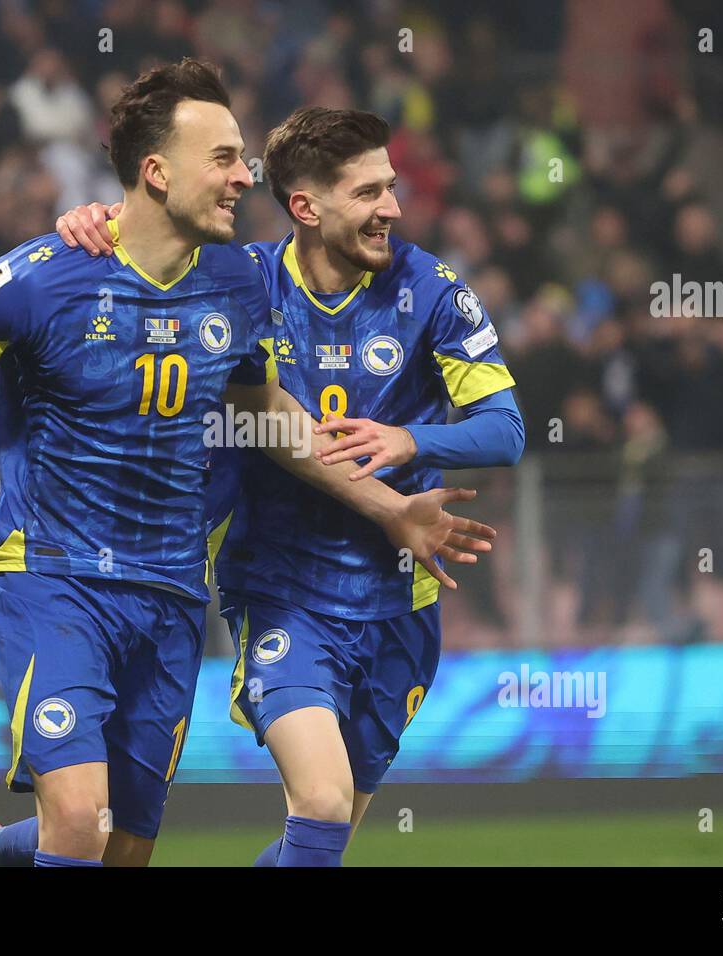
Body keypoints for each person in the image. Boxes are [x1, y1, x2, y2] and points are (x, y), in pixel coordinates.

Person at [0, 60, 492, 868]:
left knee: (124, 846)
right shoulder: (40, 279)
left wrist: (391, 509)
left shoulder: (239, 282)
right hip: (53, 576)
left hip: (171, 591)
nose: (245, 177)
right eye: (223, 159)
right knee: (79, 820)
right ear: (155, 171)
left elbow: (270, 420)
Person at [44, 106, 523, 867]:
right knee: (324, 803)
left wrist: (412, 439)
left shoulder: (431, 292)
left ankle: (2, 847)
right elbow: (143, 249)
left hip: (403, 604)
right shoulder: (243, 284)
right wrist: (93, 221)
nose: (392, 209)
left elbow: (506, 429)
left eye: (391, 188)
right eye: (368, 193)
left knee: (323, 840)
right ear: (306, 206)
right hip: (283, 593)